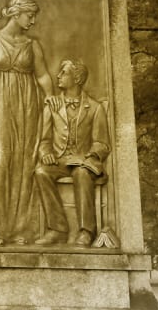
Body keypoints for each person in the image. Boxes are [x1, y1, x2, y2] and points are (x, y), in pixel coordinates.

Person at [0, 0, 54, 246]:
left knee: (24, 163)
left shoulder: (32, 45)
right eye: (30, 15)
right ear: (16, 14)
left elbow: (43, 77)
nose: (33, 20)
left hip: (27, 104)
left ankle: (20, 228)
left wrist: (52, 101)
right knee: (1, 160)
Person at [33, 59, 111, 247]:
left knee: (82, 173)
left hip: (84, 161)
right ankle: (58, 229)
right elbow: (44, 140)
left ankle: (86, 231)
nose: (58, 76)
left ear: (77, 78)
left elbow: (102, 143)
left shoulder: (95, 108)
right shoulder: (52, 106)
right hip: (60, 160)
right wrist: (46, 152)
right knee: (41, 172)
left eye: (64, 72)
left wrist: (90, 156)